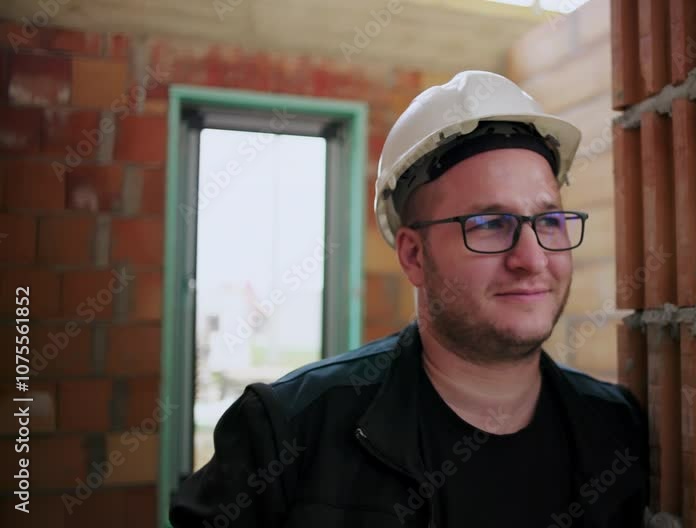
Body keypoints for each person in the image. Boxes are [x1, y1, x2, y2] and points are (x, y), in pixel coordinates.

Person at [169, 70, 649, 528]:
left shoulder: (614, 429)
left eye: (548, 222)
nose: (531, 258)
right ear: (414, 256)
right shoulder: (288, 434)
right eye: (487, 224)